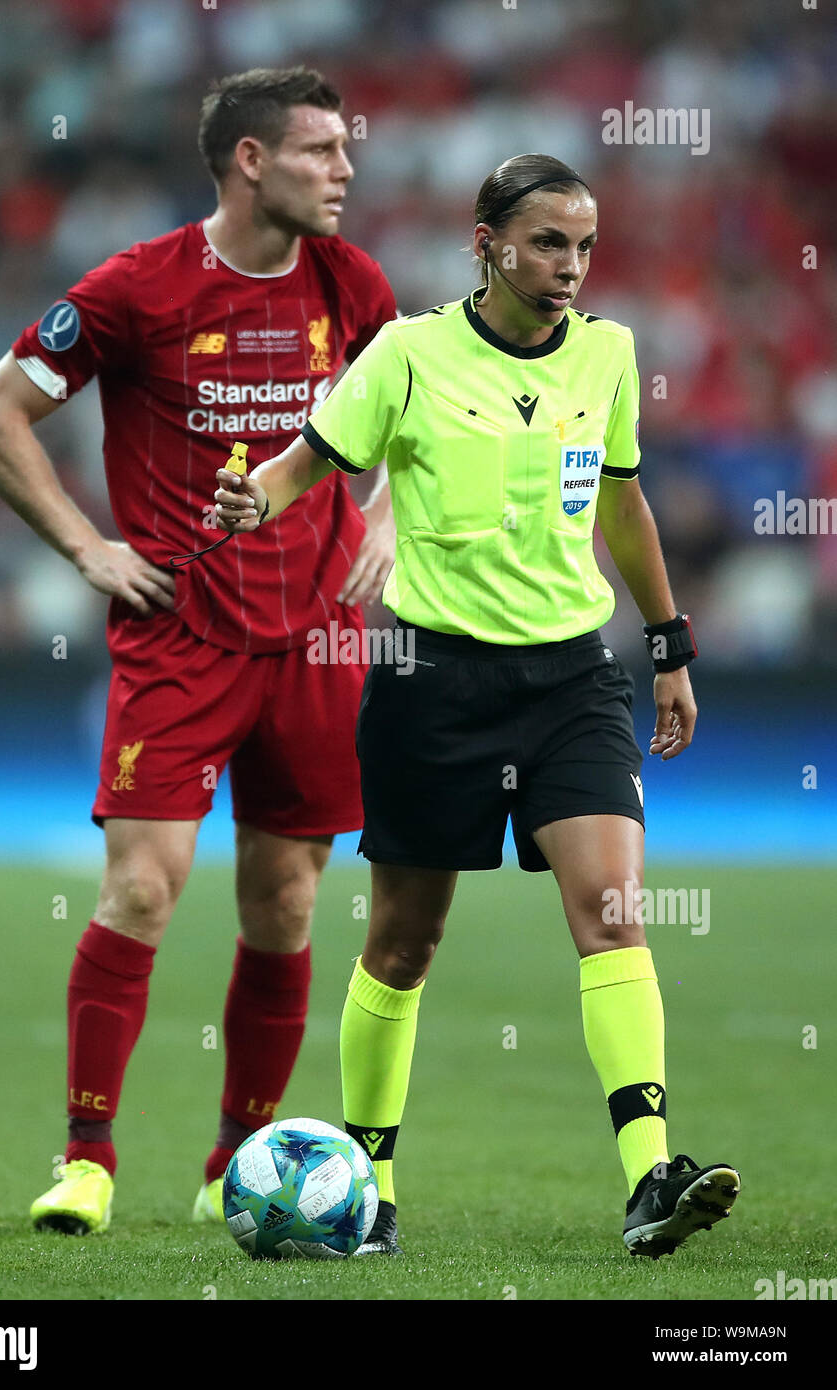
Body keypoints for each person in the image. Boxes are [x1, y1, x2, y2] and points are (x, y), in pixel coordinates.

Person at [214, 153, 741, 1259]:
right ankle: (371, 1185)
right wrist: (248, 496)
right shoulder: (406, 353)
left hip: (571, 678)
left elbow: (624, 501)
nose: (570, 266)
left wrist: (668, 643)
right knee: (404, 943)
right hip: (431, 682)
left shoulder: (607, 353)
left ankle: (651, 1175)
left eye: (586, 245)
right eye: (549, 242)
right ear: (488, 242)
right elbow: (306, 464)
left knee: (611, 912)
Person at [0, 66, 397, 1235]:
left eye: (347, 151)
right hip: (180, 633)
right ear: (250, 161)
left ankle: (236, 1163)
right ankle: (87, 1157)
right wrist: (87, 547)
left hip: (317, 639)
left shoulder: (352, 282)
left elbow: (407, 408)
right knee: (144, 887)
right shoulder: (135, 288)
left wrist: (388, 525)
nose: (346, 172)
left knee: (285, 905)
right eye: (321, 153)